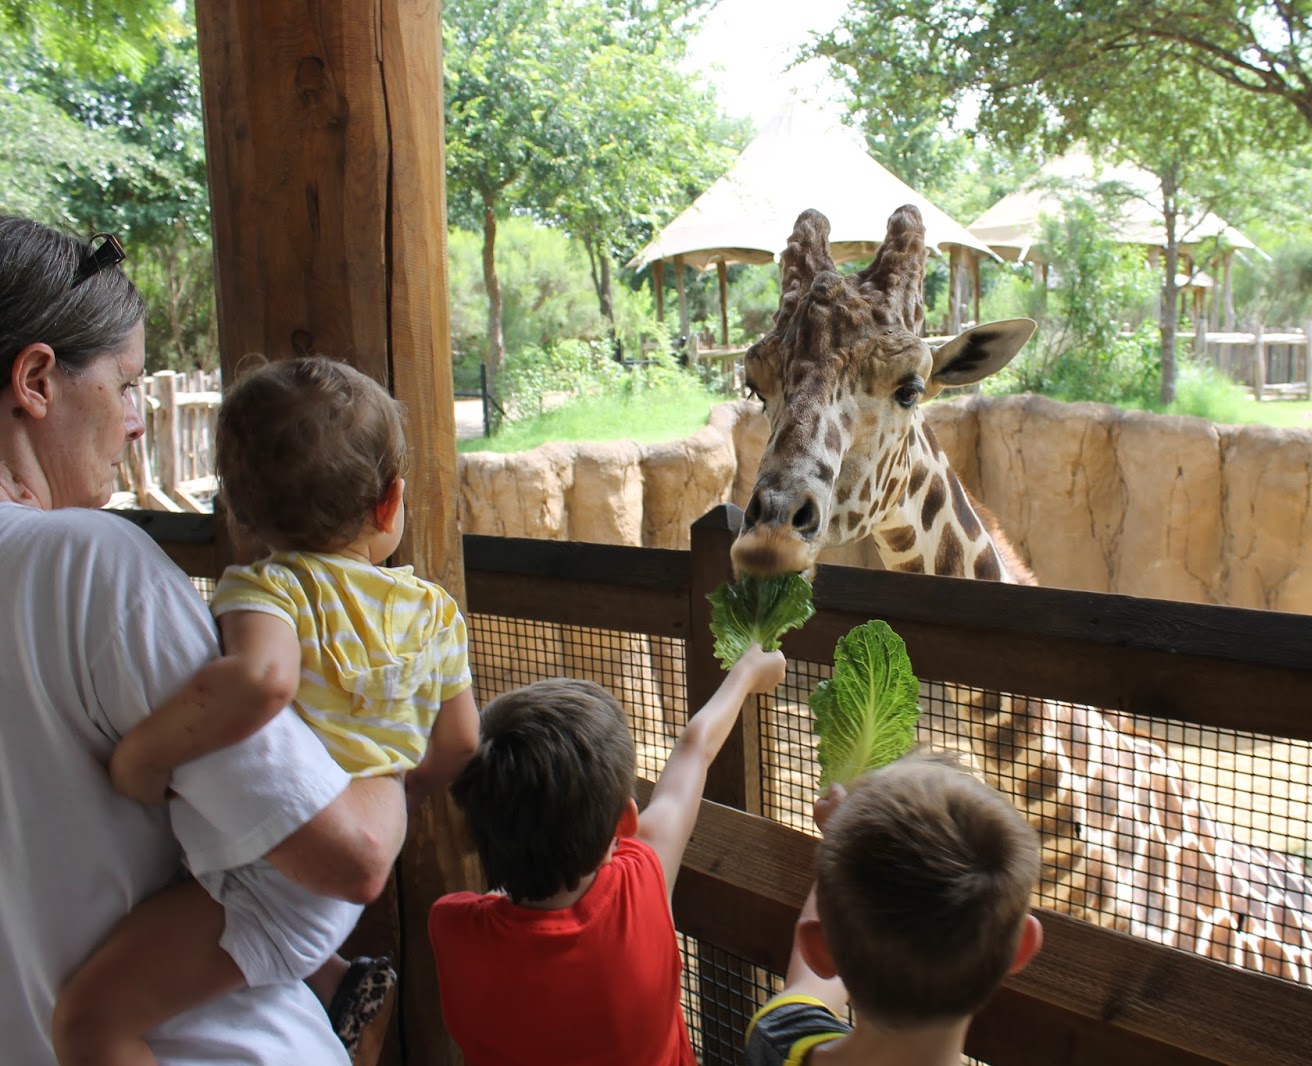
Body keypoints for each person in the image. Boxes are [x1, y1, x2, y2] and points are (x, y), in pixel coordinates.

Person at [0, 215, 407, 1066]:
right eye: (125, 385)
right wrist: (392, 707)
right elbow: (351, 854)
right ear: (37, 379)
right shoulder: (86, 564)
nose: (137, 422)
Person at [52, 355, 481, 1065]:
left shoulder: (270, 588)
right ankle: (338, 985)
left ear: (239, 511)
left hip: (269, 884)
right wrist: (397, 784)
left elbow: (263, 679)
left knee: (89, 1023)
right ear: (390, 501)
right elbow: (459, 742)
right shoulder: (433, 611)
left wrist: (143, 756)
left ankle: (330, 979)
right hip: (324, 890)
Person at [430, 646, 787, 1066]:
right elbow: (695, 749)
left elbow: (491, 910)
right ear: (625, 821)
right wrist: (745, 674)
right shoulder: (641, 885)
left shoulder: (451, 926)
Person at [745, 755, 1044, 1066]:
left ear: (818, 948)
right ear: (1021, 947)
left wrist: (839, 841)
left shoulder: (775, 1040)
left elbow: (807, 990)